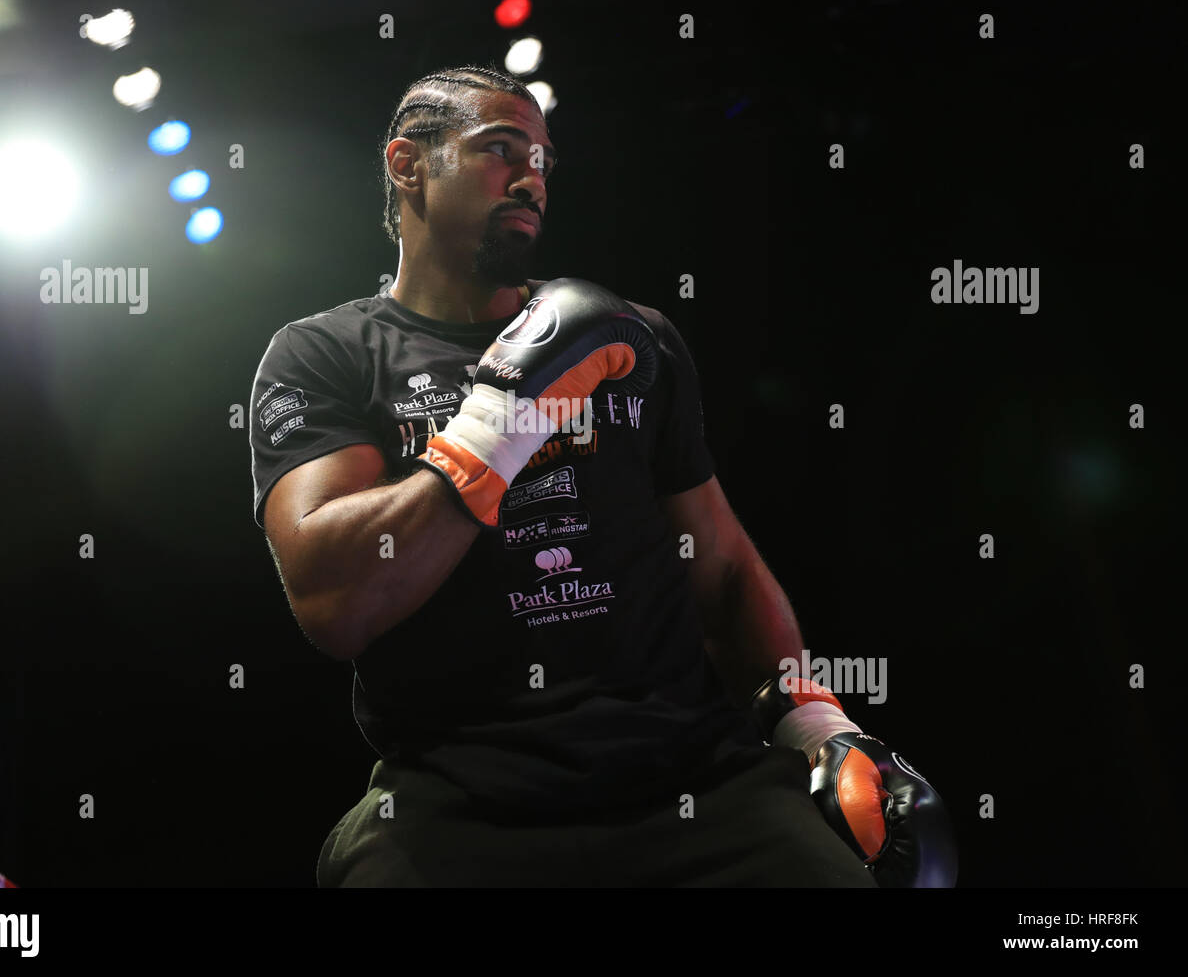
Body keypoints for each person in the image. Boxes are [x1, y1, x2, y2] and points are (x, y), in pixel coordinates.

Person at [248, 64, 953, 887]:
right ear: (408, 166)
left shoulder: (630, 337)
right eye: (500, 149)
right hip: (462, 801)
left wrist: (817, 723)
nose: (531, 178)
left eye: (543, 160)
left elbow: (719, 564)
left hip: (697, 780)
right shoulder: (324, 353)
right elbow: (336, 603)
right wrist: (500, 421)